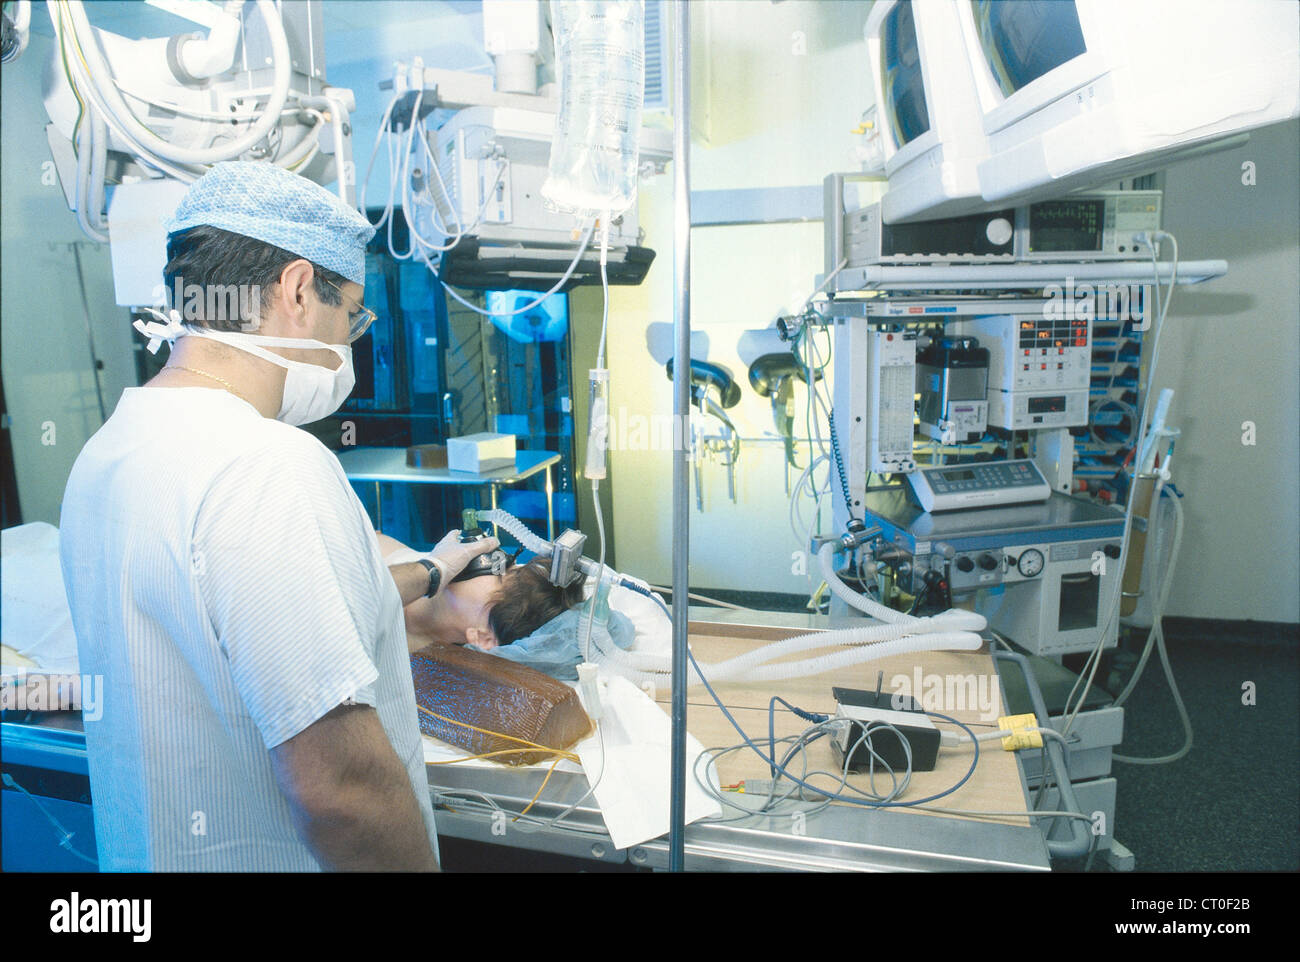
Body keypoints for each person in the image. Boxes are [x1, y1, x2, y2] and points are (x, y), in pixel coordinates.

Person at [59, 161, 498, 872]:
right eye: (351, 312)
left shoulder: (111, 449)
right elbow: (341, 791)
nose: (350, 337)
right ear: (298, 288)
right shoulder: (266, 463)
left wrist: (419, 589)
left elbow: (233, 628)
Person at [378, 532, 583, 652]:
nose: (498, 560)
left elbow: (357, 598)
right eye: (512, 563)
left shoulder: (411, 663)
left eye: (501, 576)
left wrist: (431, 571)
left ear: (485, 638)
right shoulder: (395, 555)